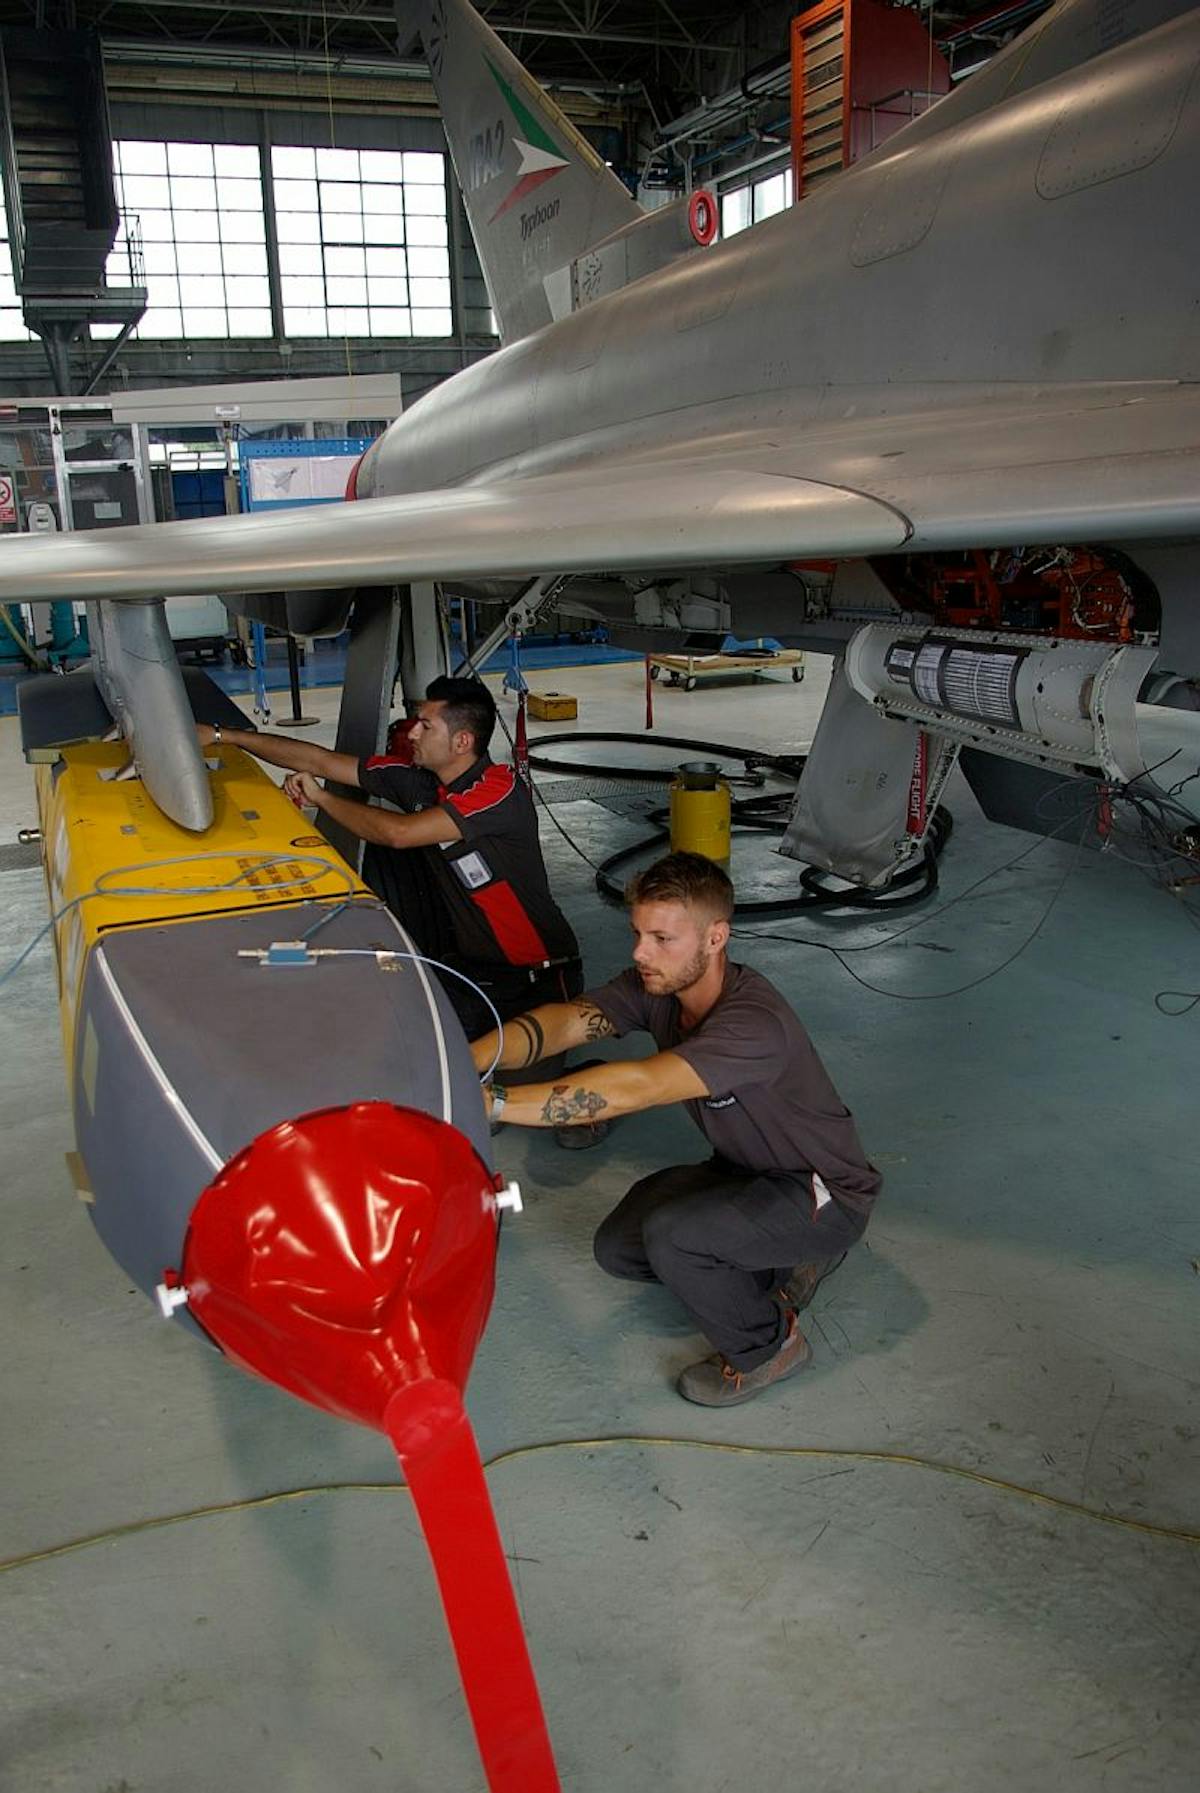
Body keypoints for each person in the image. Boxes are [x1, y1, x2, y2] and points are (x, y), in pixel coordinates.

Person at [470, 851, 882, 1407]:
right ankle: (784, 1257)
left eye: (663, 938)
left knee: (675, 1238)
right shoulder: (659, 987)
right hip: (745, 1170)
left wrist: (492, 1102)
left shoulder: (752, 1024)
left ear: (716, 938)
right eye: (639, 933)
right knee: (619, 1248)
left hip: (823, 1191)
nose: (641, 953)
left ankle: (770, 1348)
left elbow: (636, 1086)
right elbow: (567, 1021)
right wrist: (464, 1058)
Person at [196, 676, 588, 1053]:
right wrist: (223, 735)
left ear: (462, 741)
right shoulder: (419, 781)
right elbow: (320, 760)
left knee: (519, 1090)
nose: (412, 733)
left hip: (540, 976)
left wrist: (324, 800)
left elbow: (399, 833)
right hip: (474, 971)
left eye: (426, 726)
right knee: (401, 1036)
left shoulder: (497, 791)